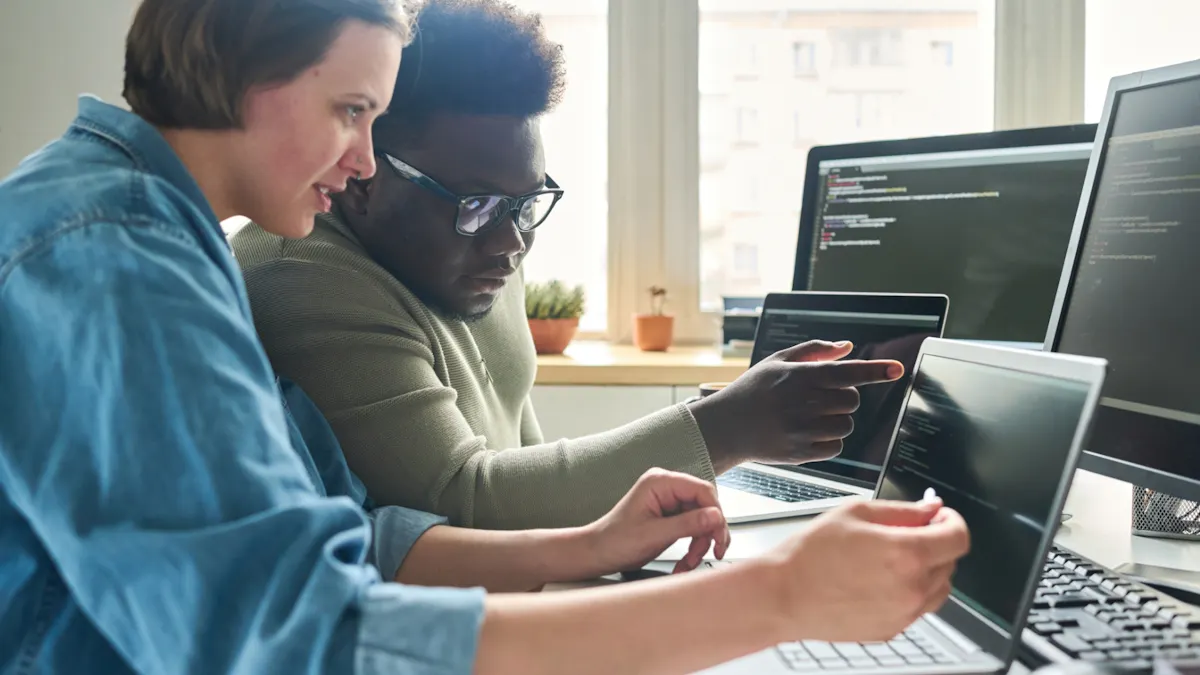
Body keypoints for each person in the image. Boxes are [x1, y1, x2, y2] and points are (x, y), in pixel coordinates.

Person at [0, 0, 970, 672]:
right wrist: (780, 602)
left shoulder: (152, 229)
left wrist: (589, 543)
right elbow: (291, 640)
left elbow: (345, 535)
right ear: (245, 76)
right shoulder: (112, 256)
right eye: (351, 111)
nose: (365, 160)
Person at [232, 0, 905, 530]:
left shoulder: (479, 245)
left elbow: (521, 468)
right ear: (364, 175)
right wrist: (728, 426)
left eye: (528, 203)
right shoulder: (301, 276)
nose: (509, 242)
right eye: (479, 203)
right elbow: (462, 501)